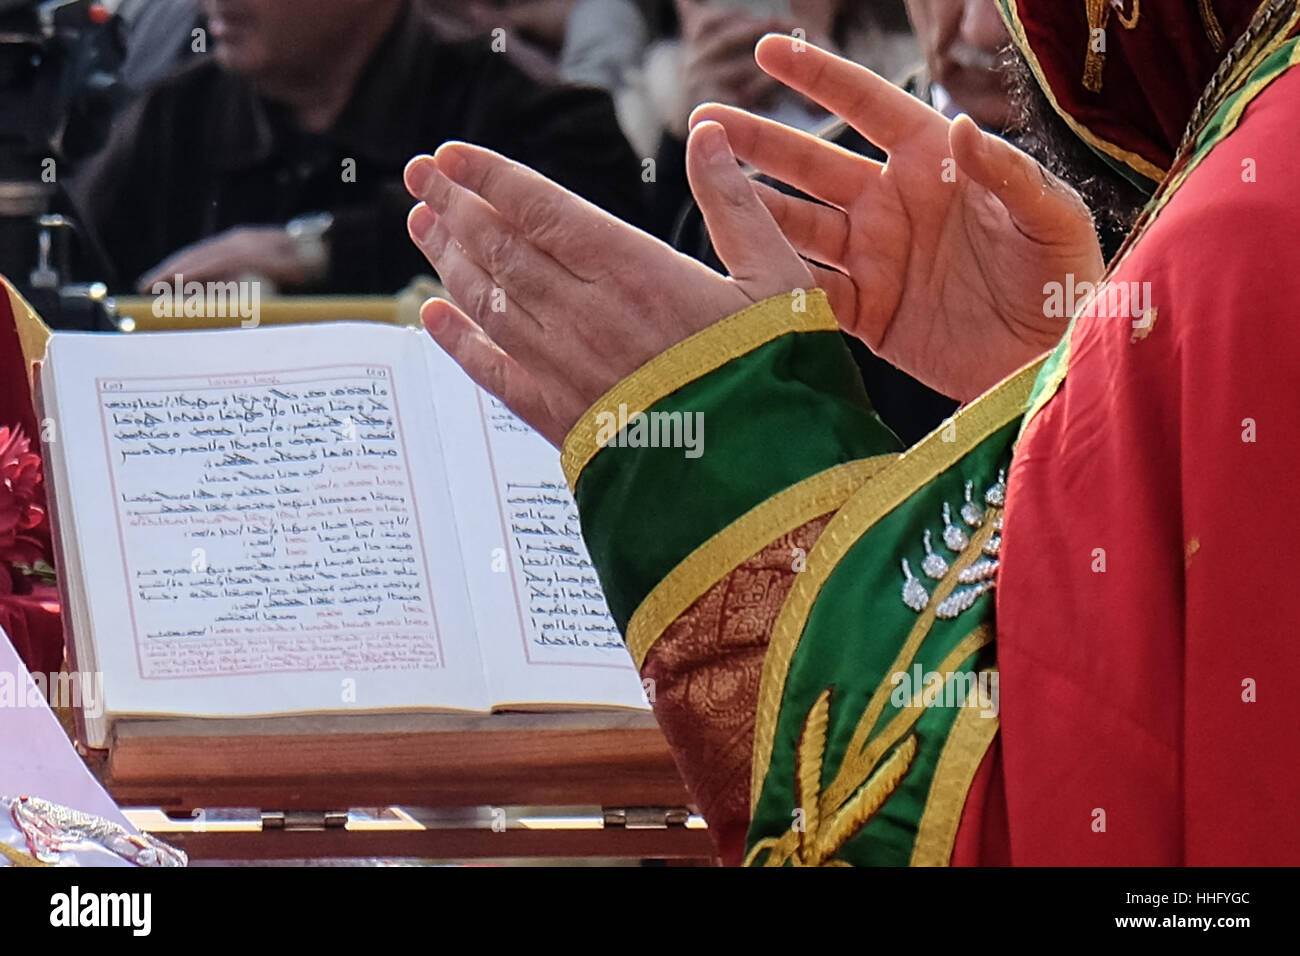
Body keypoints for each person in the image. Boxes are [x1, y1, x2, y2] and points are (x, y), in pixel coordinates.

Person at [402, 0, 1300, 865]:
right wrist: (1054, 395)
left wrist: (731, 473)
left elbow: (1055, 806)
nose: (987, 27)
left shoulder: (1245, 217)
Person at [69, 0, 644, 295]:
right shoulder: (173, 117)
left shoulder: (534, 115)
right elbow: (63, 285)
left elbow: (589, 258)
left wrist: (321, 251)